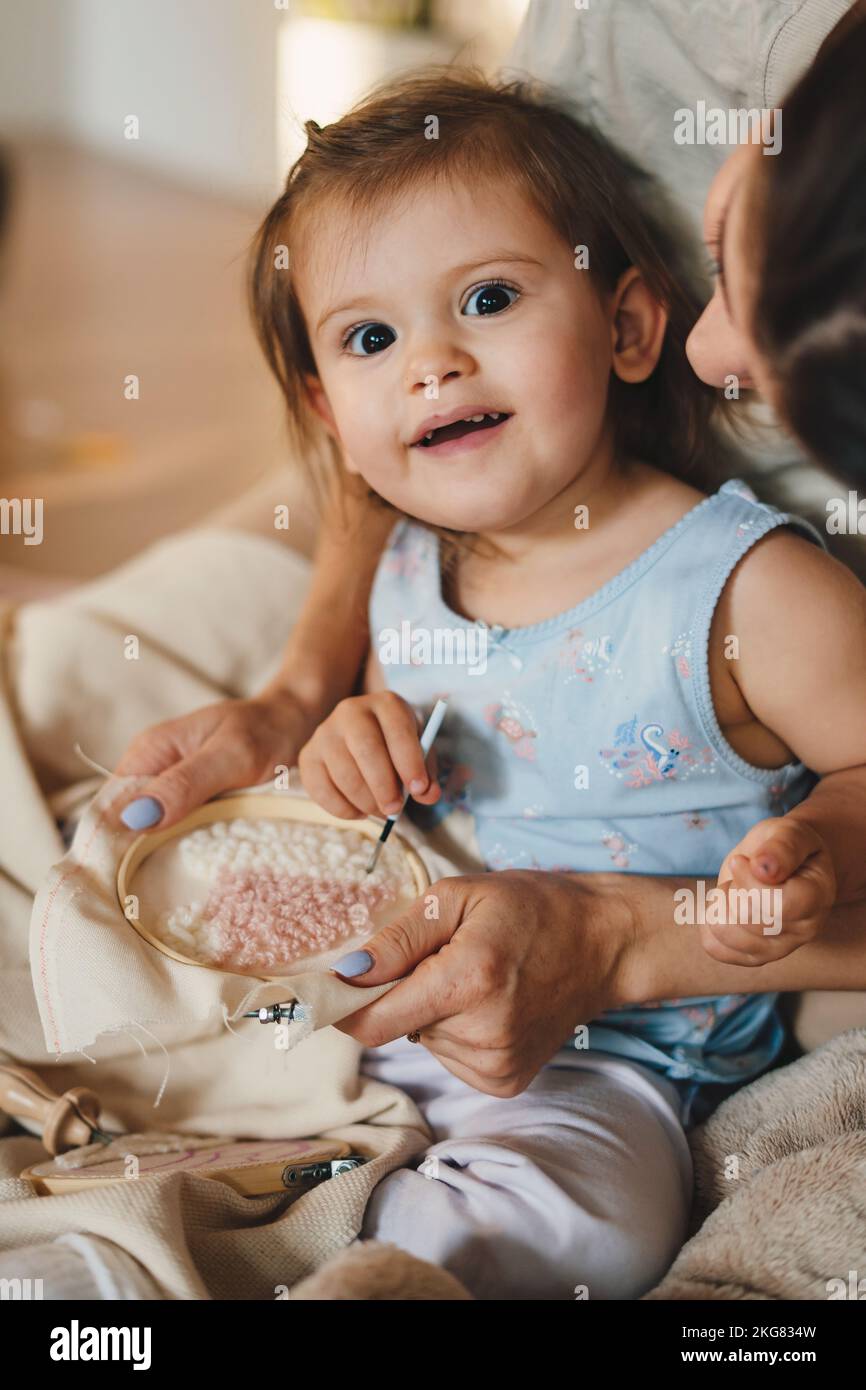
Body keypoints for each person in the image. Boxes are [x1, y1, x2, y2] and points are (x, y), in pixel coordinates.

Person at [109, 7, 866, 1299]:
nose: (431, 364)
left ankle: (395, 1267)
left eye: (490, 299)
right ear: (324, 414)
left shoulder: (745, 587)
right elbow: (384, 744)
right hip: (385, 990)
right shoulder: (410, 562)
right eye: (368, 339)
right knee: (131, 974)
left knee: (591, 1219)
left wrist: (817, 847)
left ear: (630, 327)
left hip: (606, 1057)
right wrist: (339, 730)